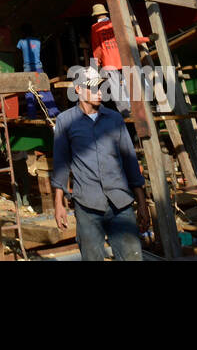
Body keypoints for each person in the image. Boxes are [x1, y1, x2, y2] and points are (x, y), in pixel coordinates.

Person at [52, 66, 149, 260]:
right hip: (87, 205)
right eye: (92, 88)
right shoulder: (65, 121)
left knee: (132, 256)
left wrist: (142, 202)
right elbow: (61, 163)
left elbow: (130, 159)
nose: (99, 93)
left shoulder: (114, 119)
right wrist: (59, 203)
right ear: (78, 90)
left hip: (120, 202)